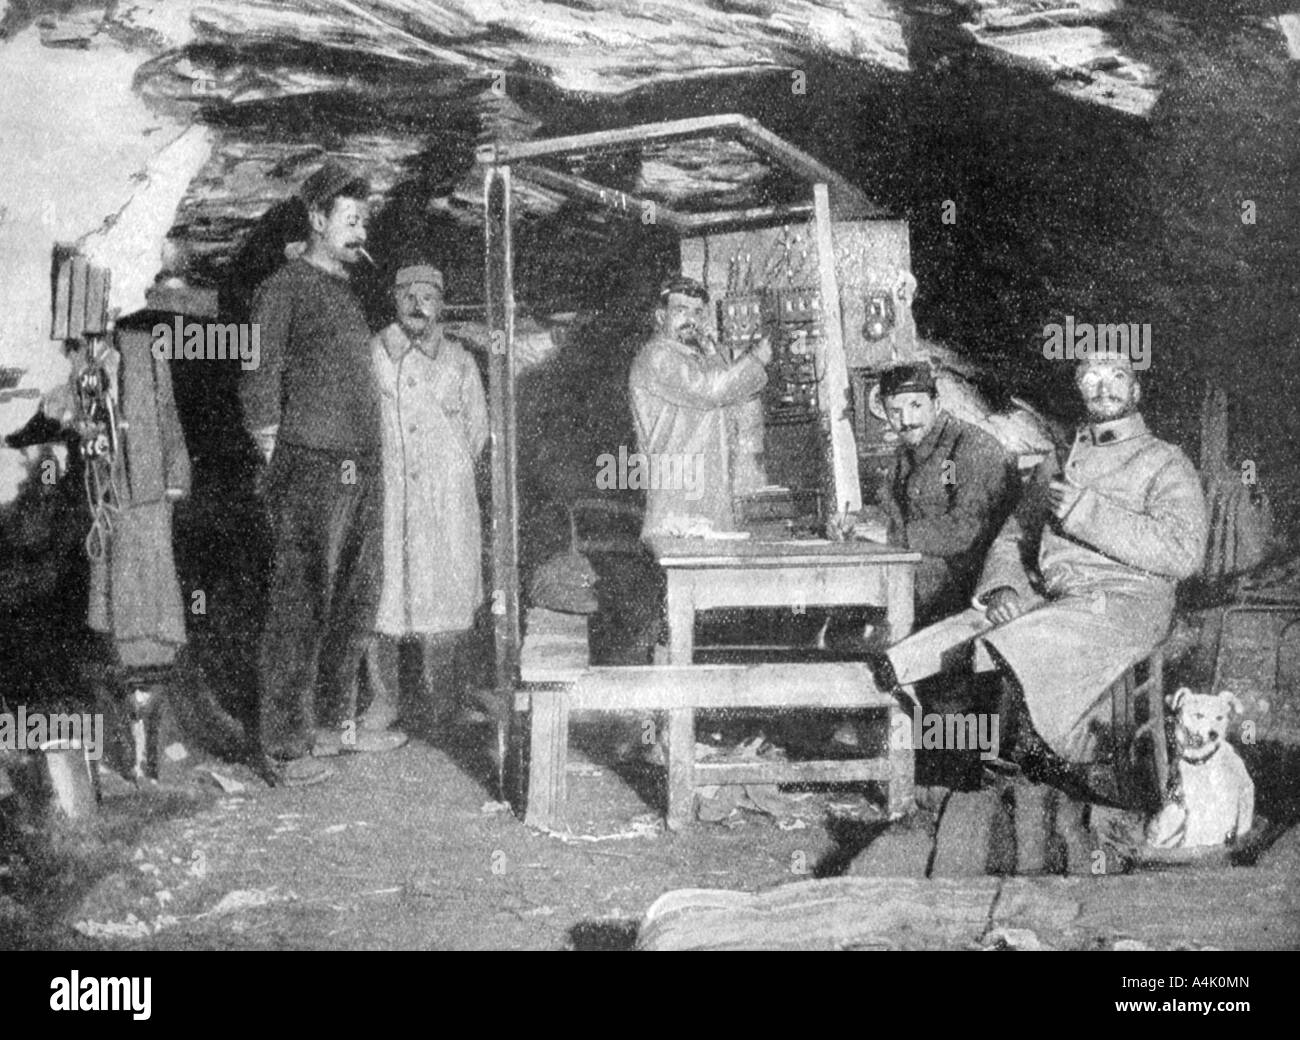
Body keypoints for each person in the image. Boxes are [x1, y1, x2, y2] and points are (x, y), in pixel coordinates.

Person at [869, 350, 1208, 786]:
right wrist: (1002, 587)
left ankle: (1009, 753)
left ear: (1135, 389)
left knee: (1017, 641)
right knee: (950, 638)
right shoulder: (1063, 457)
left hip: (1128, 600)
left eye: (1116, 377)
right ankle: (971, 747)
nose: (1103, 388)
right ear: (1080, 390)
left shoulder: (1165, 461)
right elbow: (1013, 534)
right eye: (1091, 379)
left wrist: (1088, 513)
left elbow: (1184, 553)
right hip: (1057, 593)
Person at [240, 160, 405, 787]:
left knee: (357, 597)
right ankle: (283, 749)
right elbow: (257, 382)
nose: (362, 230)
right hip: (312, 463)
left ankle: (332, 725)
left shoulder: (344, 289)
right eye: (350, 219)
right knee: (301, 603)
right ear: (316, 219)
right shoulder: (283, 287)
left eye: (364, 220)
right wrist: (281, 456)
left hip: (362, 463)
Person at [362, 263, 489, 741]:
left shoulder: (459, 361)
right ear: (394, 300)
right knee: (384, 598)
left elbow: (477, 432)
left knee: (447, 598)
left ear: (442, 303)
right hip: (390, 494)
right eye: (408, 295)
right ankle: (383, 701)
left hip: (444, 500)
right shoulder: (373, 354)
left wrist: (446, 473)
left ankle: (445, 703)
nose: (418, 304)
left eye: (428, 296)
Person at [628, 276, 771, 535]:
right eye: (681, 311)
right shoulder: (657, 356)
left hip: (704, 501)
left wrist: (712, 353)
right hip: (679, 507)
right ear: (661, 317)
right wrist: (756, 361)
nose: (690, 320)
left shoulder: (690, 358)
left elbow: (724, 398)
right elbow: (710, 391)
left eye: (697, 312)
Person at [877, 362, 1015, 625]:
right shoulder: (906, 452)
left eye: (916, 406)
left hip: (974, 588)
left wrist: (893, 535)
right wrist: (852, 522)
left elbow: (966, 529)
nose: (906, 420)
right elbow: (889, 507)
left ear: (936, 404)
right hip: (925, 579)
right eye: (895, 411)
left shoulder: (968, 446)